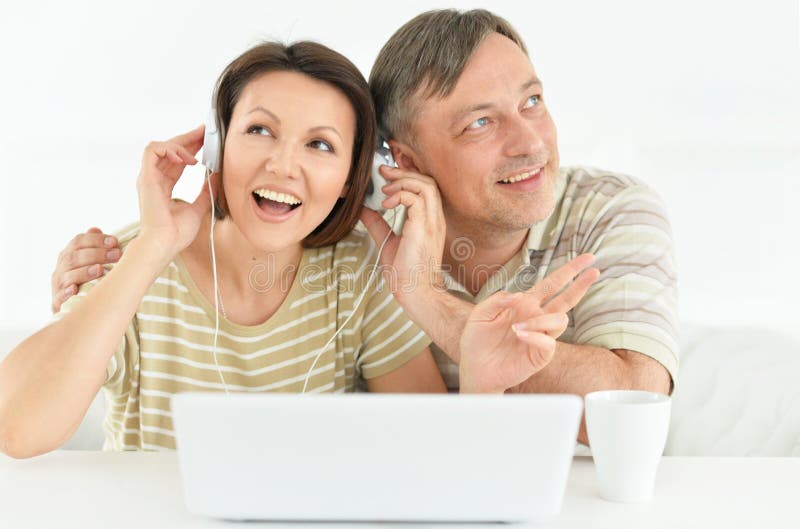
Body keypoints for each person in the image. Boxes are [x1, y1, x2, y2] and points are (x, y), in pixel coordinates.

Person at [50, 9, 677, 446]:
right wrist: (129, 266)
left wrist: (428, 302)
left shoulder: (611, 211)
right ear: (398, 162)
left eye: (532, 102)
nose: (530, 142)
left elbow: (633, 409)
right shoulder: (355, 237)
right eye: (479, 124)